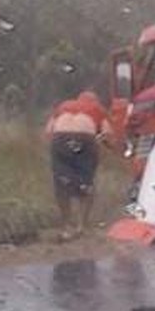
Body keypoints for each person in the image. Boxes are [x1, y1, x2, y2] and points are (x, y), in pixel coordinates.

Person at [44, 90, 109, 227]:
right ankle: (81, 225)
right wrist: (96, 143)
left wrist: (58, 147)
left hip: (60, 137)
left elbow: (49, 130)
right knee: (86, 181)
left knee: (62, 182)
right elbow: (107, 132)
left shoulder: (64, 106)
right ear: (94, 101)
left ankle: (66, 222)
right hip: (85, 139)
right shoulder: (97, 108)